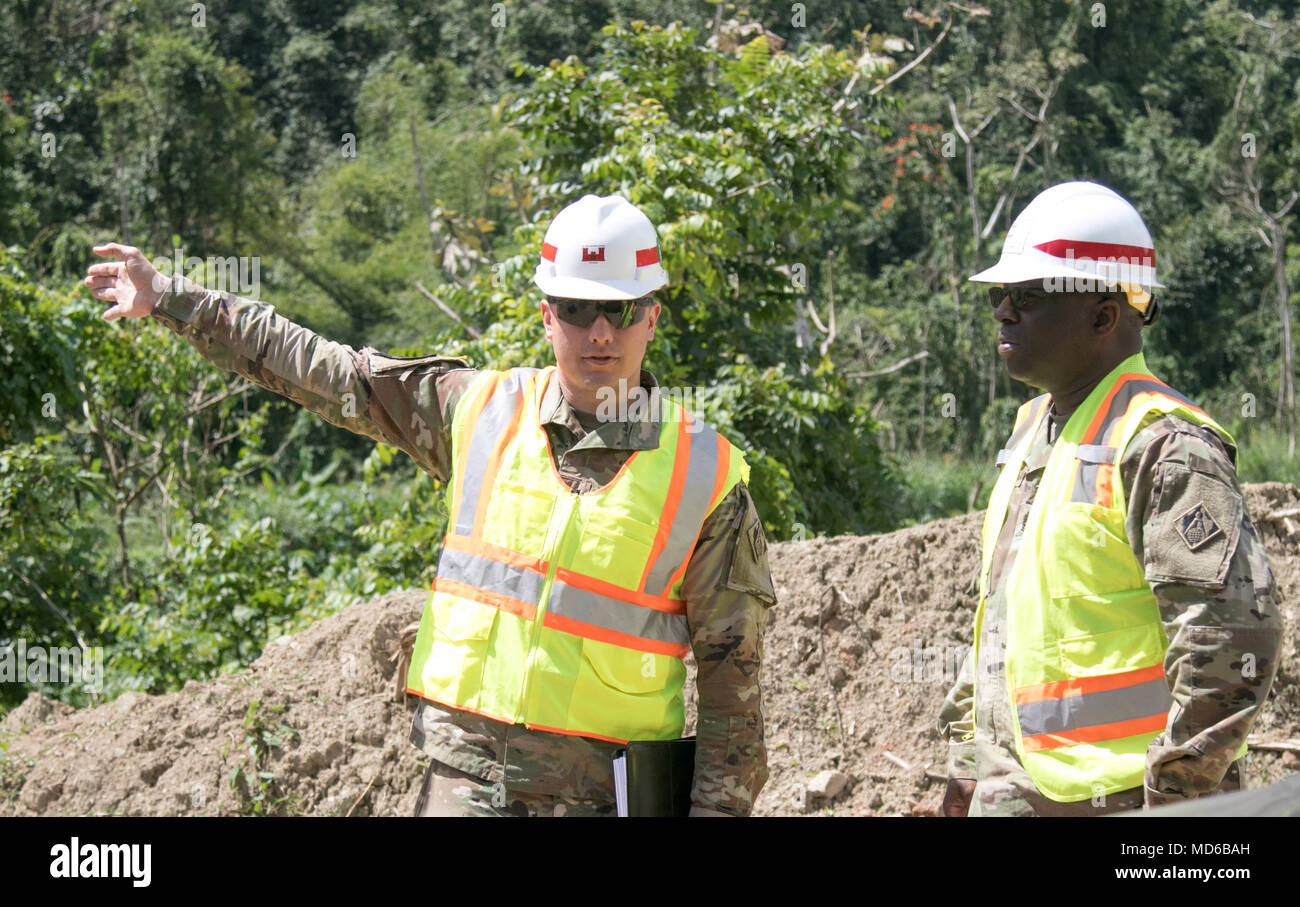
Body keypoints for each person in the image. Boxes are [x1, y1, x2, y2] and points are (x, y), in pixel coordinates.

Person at [85, 193, 775, 817]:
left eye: (618, 310)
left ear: (650, 317)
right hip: (468, 780)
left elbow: (731, 688)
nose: (599, 330)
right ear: (546, 315)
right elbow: (323, 370)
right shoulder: (476, 409)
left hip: (606, 793)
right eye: (576, 308)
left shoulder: (705, 477)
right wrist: (171, 297)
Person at [937, 181, 1284, 817]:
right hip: (1018, 794)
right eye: (1001, 295)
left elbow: (1231, 641)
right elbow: (1004, 623)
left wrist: (1173, 798)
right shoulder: (1034, 431)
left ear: (1104, 315)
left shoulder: (1163, 443)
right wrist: (967, 769)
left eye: (1029, 296)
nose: (1003, 312)